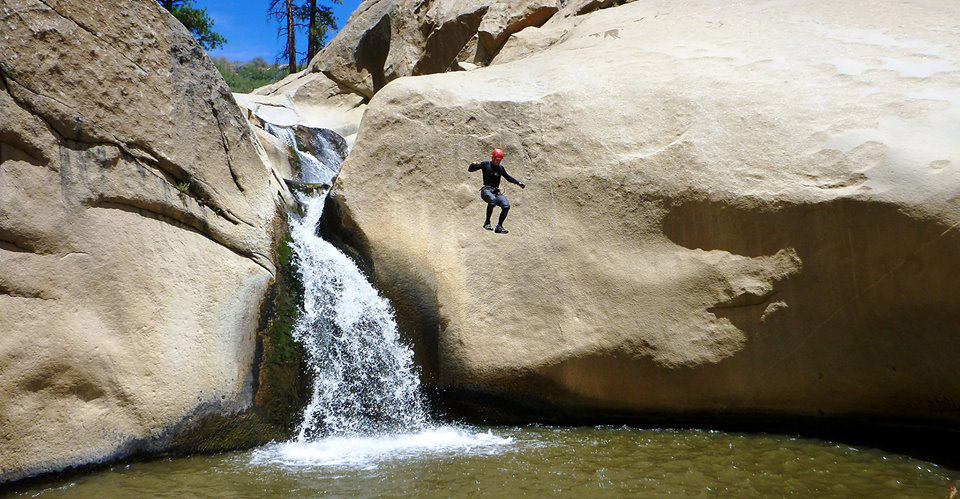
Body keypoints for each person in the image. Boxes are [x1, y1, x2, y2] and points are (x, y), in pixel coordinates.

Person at [468, 148, 525, 234]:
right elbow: (470, 170)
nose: (498, 162)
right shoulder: (485, 164)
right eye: (497, 160)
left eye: (500, 160)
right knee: (493, 200)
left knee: (506, 206)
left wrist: (518, 183)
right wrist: (473, 164)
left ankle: (499, 227)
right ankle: (487, 223)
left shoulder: (500, 168)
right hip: (486, 190)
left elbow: (508, 177)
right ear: (493, 158)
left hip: (496, 192)